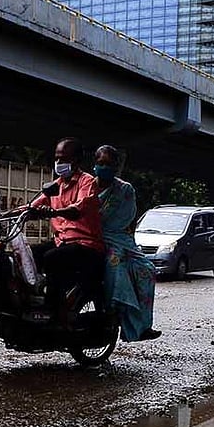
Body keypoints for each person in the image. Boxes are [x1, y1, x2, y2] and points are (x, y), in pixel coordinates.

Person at [23, 137, 104, 316]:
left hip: (86, 245)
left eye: (63, 159)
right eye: (57, 158)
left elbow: (77, 209)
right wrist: (4, 214)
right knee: (28, 254)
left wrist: (53, 211)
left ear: (75, 160)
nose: (58, 163)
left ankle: (53, 310)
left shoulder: (87, 182)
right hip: (63, 242)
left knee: (52, 258)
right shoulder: (56, 185)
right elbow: (33, 205)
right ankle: (33, 298)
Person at [93, 145, 160, 342]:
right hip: (92, 236)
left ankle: (142, 326)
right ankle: (117, 310)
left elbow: (127, 220)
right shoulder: (86, 187)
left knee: (146, 270)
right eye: (101, 163)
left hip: (120, 238)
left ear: (116, 167)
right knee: (116, 266)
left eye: (109, 164)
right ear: (95, 164)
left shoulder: (124, 190)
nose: (104, 167)